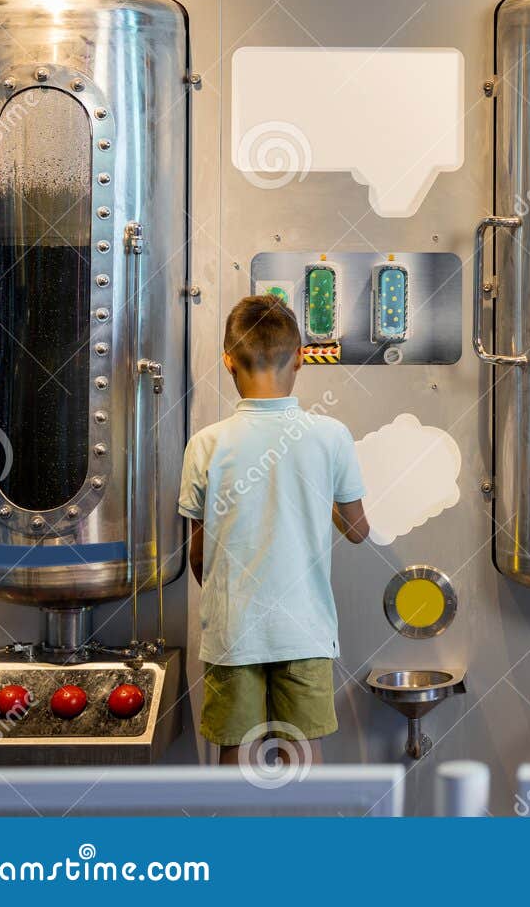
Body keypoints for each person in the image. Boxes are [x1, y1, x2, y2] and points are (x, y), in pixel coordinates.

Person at [179, 294, 370, 766]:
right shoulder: (331, 437)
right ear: (301, 358)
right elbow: (358, 531)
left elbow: (198, 555)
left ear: (228, 361)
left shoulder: (206, 444)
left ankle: (232, 844)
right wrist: (318, 496)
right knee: (304, 760)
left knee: (235, 759)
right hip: (304, 630)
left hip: (232, 631)